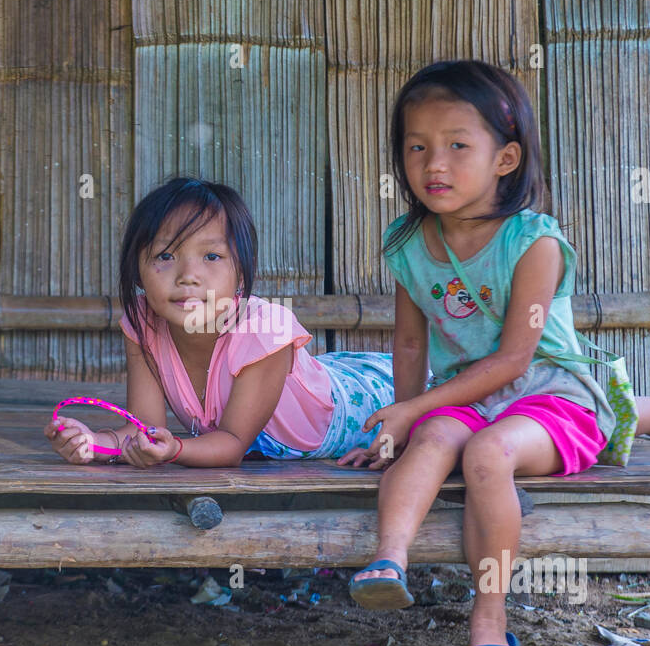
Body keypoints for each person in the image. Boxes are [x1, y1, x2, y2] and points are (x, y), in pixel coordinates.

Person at [339, 59, 650, 646]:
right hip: (470, 392)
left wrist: (417, 409)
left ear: (506, 158)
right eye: (417, 147)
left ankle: (489, 615)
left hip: (551, 390)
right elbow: (409, 341)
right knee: (432, 438)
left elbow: (516, 362)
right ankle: (389, 560)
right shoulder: (407, 241)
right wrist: (403, 425)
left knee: (492, 453)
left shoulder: (533, 242)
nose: (434, 164)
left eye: (458, 146)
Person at [44, 177, 396, 466]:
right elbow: (144, 430)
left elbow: (230, 445)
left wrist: (176, 451)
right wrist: (93, 443)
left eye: (212, 256)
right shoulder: (143, 323)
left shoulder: (263, 331)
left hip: (368, 401)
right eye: (165, 255)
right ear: (137, 268)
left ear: (241, 271)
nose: (188, 276)